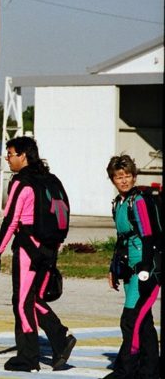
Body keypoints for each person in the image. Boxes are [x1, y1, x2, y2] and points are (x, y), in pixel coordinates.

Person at [0, 136, 75, 372]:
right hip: (49, 249)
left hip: (29, 249)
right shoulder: (50, 179)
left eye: (11, 154)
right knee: (33, 299)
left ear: (23, 155)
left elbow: (11, 220)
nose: (8, 159)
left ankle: (28, 357)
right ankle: (60, 338)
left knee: (22, 302)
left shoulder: (21, 182)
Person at [103, 154, 160, 379]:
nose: (124, 180)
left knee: (130, 320)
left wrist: (146, 268)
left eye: (127, 176)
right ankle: (150, 370)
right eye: (119, 177)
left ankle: (126, 370)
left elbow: (147, 235)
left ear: (134, 177)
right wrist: (112, 269)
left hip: (146, 271)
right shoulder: (119, 203)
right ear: (113, 180)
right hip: (129, 270)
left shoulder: (139, 201)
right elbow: (121, 239)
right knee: (144, 323)